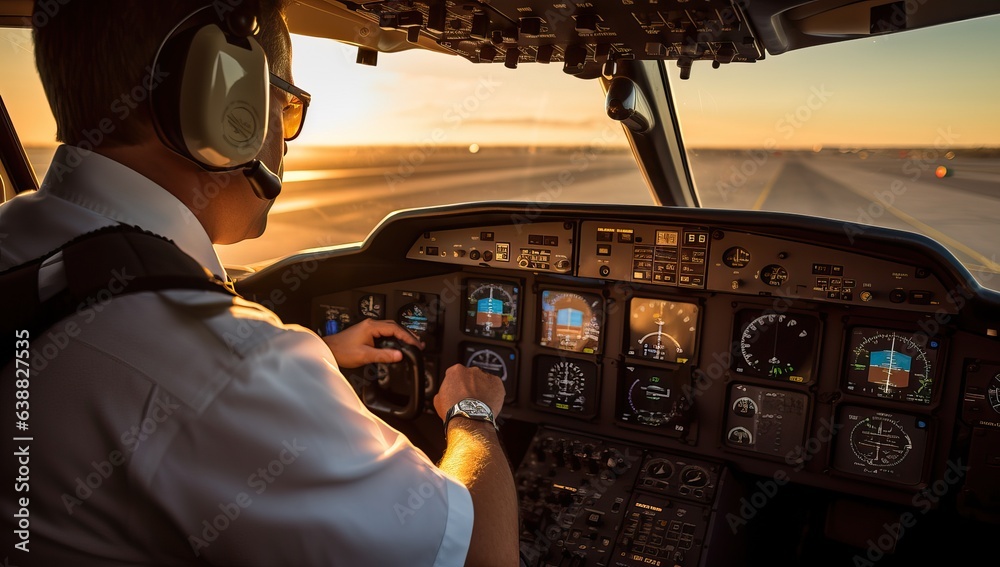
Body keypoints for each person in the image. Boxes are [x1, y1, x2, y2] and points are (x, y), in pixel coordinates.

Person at [0, 1, 518, 565]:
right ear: (228, 101)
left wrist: (317, 354)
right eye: (287, 106)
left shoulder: (19, 238)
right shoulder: (224, 365)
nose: (285, 138)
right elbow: (480, 553)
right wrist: (472, 414)